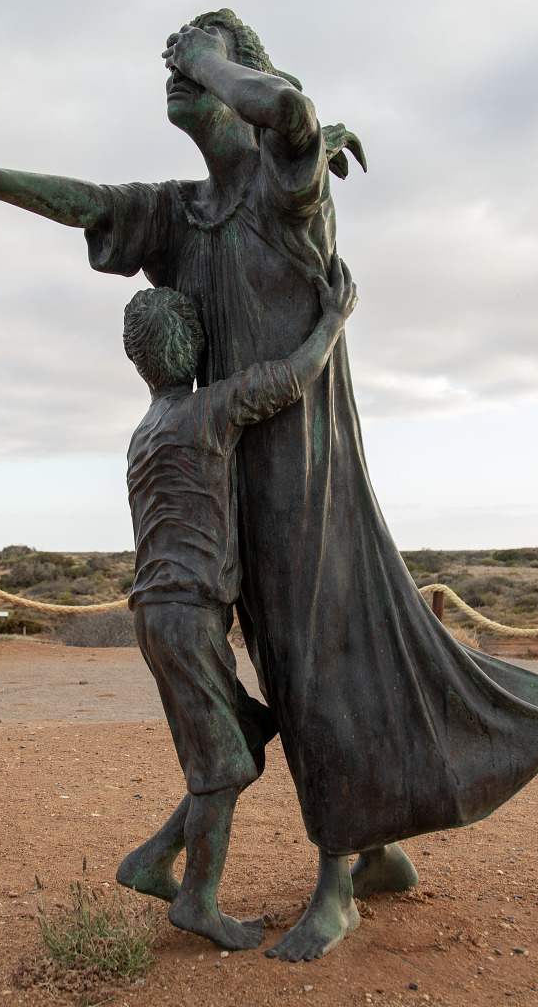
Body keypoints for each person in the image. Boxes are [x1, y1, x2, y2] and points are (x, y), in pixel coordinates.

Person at [0, 9, 538, 961]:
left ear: (235, 80)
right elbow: (90, 202)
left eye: (198, 58)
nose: (176, 70)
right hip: (237, 485)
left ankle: (339, 878)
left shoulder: (283, 189)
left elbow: (295, 115)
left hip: (308, 474)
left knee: (321, 662)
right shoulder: (182, 214)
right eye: (173, 60)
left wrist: (213, 59)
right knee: (294, 665)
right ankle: (377, 846)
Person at [118, 264, 356, 950]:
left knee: (241, 736)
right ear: (193, 348)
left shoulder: (147, 431)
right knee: (226, 764)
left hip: (155, 613)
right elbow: (286, 378)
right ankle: (198, 901)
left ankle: (152, 859)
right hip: (189, 614)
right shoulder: (208, 412)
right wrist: (333, 321)